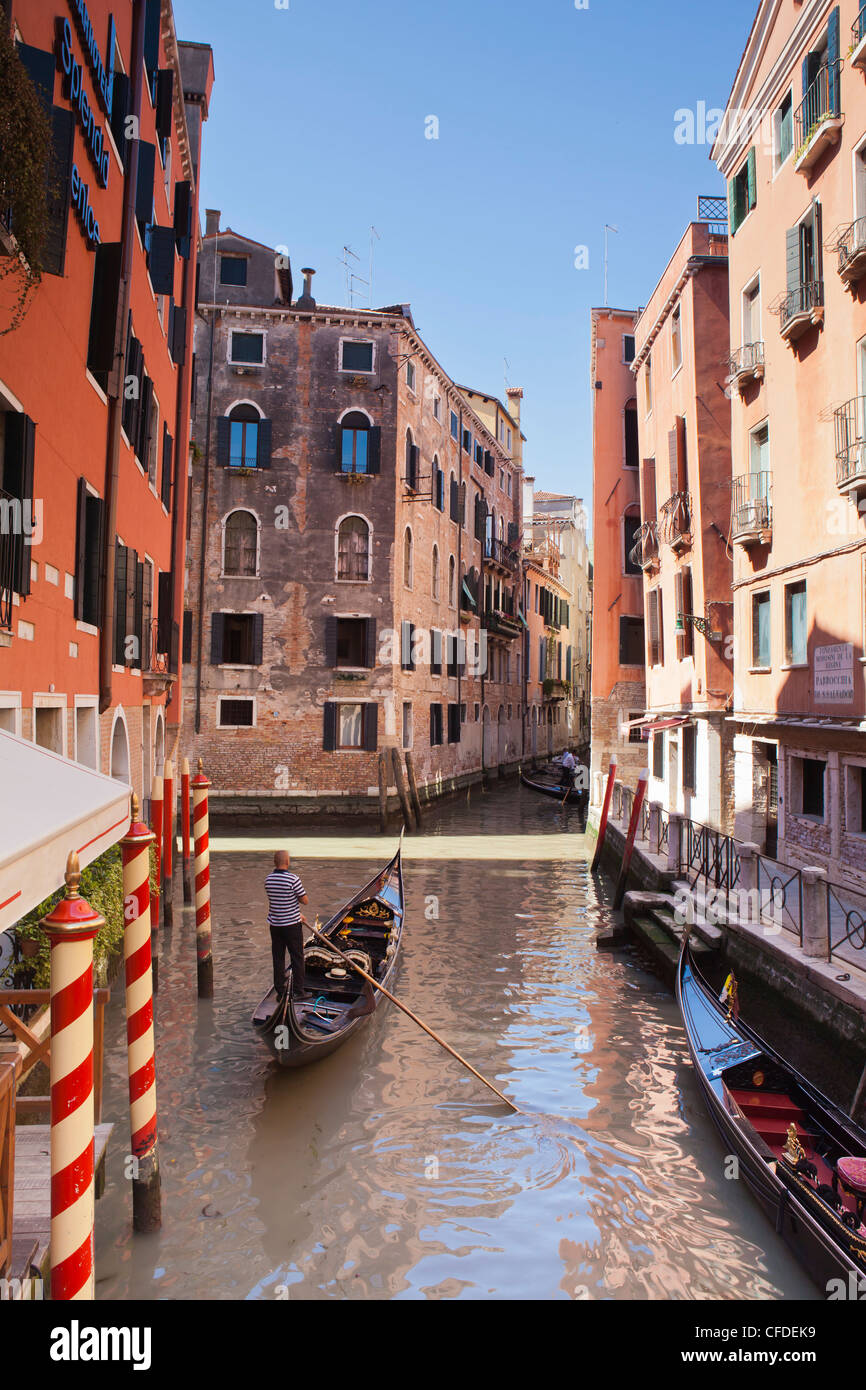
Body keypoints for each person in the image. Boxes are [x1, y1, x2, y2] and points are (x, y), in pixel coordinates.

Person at [265, 850, 312, 999]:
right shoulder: (293, 879)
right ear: (287, 862)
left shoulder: (268, 880)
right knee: (297, 957)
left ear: (275, 862)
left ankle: (280, 991)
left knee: (278, 958)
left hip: (275, 925)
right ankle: (298, 992)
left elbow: (280, 902)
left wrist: (294, 910)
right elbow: (305, 900)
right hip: (291, 925)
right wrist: (295, 910)